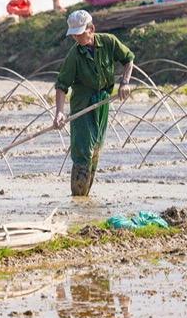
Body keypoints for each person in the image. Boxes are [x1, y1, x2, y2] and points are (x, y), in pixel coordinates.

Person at [52, 10, 134, 197]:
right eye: (73, 34)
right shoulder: (75, 55)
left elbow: (129, 59)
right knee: (83, 152)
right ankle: (78, 197)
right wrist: (59, 112)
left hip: (102, 102)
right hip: (83, 106)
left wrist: (125, 83)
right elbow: (61, 85)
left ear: (91, 29)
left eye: (80, 33)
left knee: (96, 150)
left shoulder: (108, 42)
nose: (76, 37)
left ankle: (85, 197)